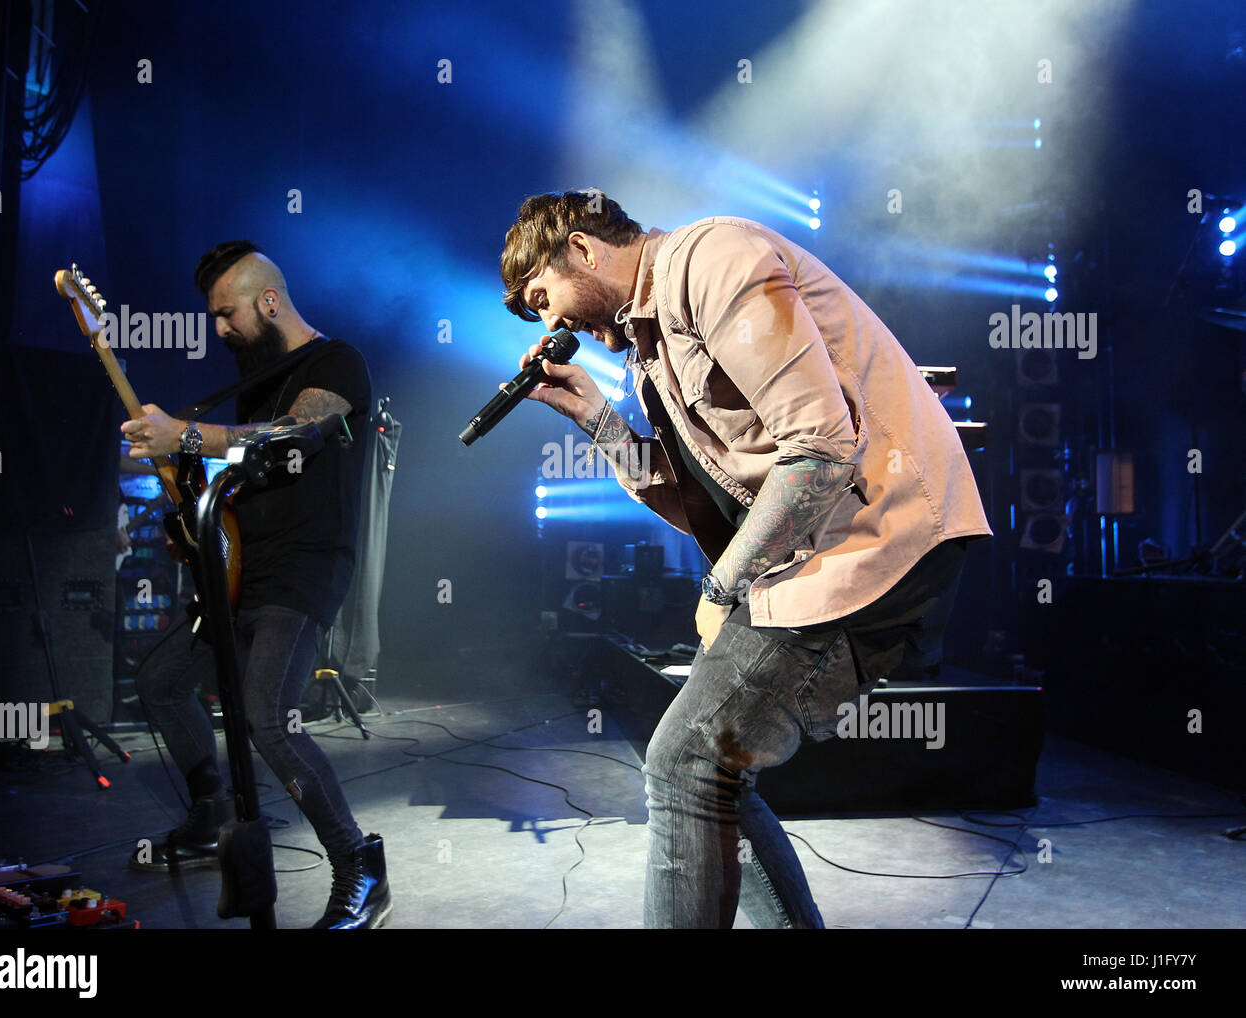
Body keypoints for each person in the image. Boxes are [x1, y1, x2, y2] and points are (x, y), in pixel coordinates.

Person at [499, 191, 992, 928]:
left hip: (879, 536)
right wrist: (593, 415)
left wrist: (723, 586)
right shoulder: (651, 351)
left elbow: (820, 450)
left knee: (686, 762)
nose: (551, 325)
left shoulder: (713, 258)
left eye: (544, 298)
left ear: (582, 249)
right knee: (714, 773)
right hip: (819, 549)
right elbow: (697, 498)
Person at [120, 241, 389, 929]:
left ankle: (359, 863)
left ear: (269, 302)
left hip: (302, 568)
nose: (220, 331)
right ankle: (211, 812)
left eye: (226, 314)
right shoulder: (257, 378)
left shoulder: (338, 363)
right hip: (237, 566)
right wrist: (180, 483)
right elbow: (234, 471)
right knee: (159, 680)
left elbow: (286, 439)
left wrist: (184, 436)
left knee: (267, 715)